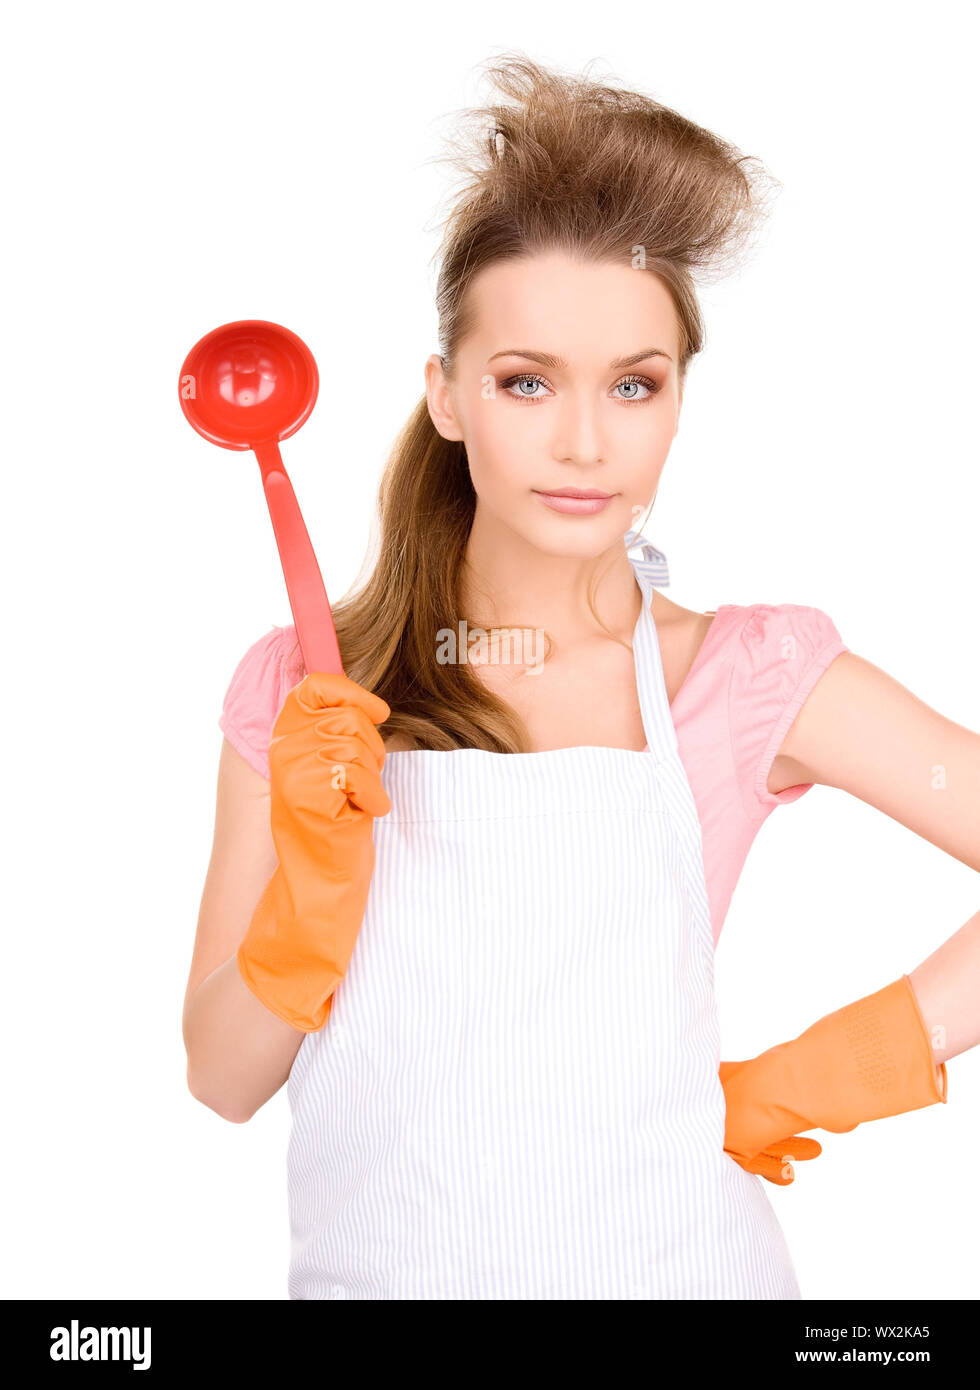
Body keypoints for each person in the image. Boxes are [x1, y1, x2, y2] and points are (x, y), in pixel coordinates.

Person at [182, 53, 978, 1300]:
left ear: (675, 403)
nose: (583, 441)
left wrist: (835, 1066)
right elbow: (222, 1078)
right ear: (445, 397)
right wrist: (303, 923)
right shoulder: (304, 687)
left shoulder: (740, 677)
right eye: (524, 381)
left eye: (632, 385)